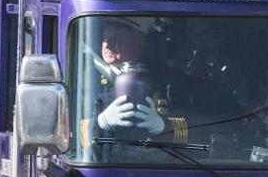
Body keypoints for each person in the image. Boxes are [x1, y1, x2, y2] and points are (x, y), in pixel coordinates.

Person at [79, 17, 190, 150]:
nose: (107, 44)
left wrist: (162, 126)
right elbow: (68, 135)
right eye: (105, 37)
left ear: (139, 43)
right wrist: (101, 122)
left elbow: (203, 127)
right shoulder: (86, 78)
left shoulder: (164, 78)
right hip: (105, 164)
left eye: (117, 37)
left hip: (156, 164)